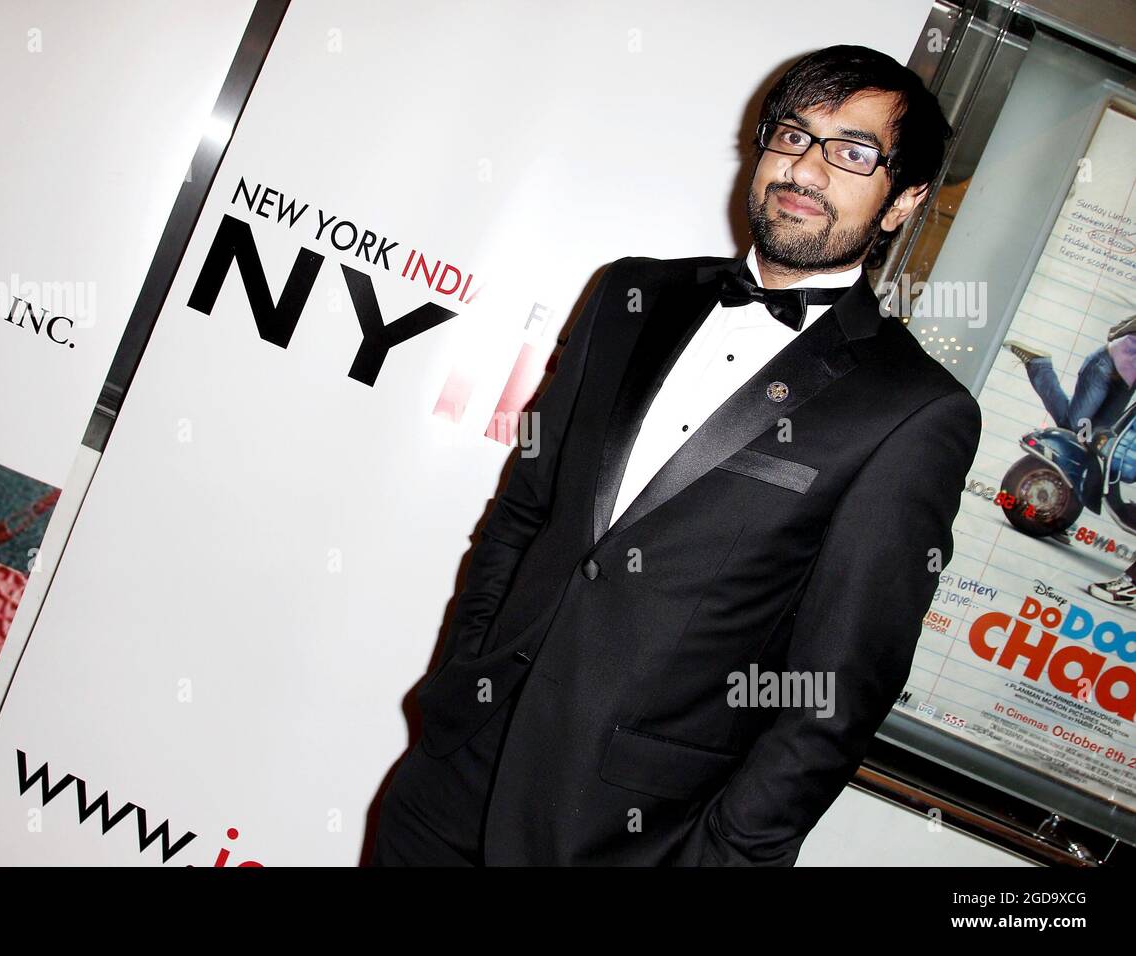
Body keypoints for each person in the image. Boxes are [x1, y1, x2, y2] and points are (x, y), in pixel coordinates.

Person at [371, 45, 981, 866]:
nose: (805, 168)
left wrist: (726, 852)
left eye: (851, 152)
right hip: (451, 781)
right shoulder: (632, 296)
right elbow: (523, 512)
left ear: (903, 201)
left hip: (627, 835)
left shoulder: (911, 408)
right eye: (791, 136)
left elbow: (838, 687)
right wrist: (463, 676)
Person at [1002, 319, 1136, 606]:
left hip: (1124, 380)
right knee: (1075, 428)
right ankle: (1040, 367)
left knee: (1090, 440)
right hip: (1105, 368)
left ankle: (1055, 516)